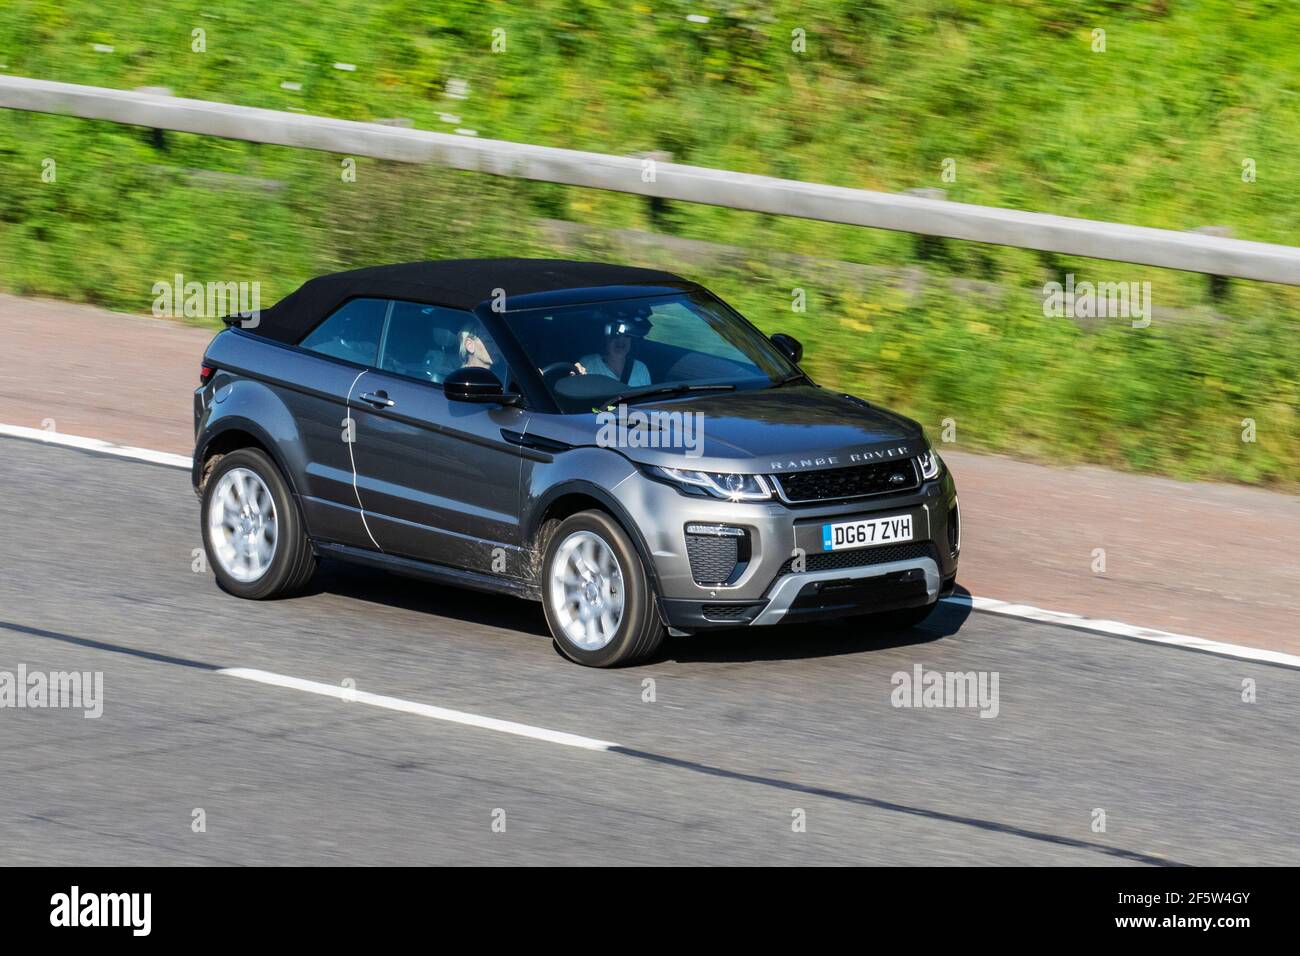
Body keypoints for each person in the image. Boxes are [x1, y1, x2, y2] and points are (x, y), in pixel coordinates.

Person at [577, 316, 651, 387]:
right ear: (605, 339)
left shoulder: (641, 369)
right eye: (615, 335)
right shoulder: (588, 364)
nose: (621, 340)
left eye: (627, 335)